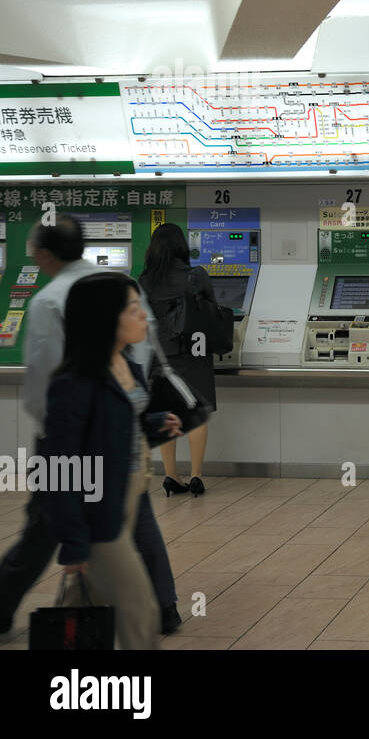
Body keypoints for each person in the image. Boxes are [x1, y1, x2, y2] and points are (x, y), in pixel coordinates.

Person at [0, 215, 184, 638]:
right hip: (112, 434)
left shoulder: (52, 302)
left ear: (43, 255)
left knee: (52, 522)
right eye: (135, 312)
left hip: (82, 436)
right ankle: (161, 606)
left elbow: (41, 384)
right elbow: (142, 361)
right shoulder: (117, 289)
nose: (141, 315)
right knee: (109, 519)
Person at [41, 272, 182, 650]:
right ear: (104, 316)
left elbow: (121, 427)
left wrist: (154, 426)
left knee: (94, 606)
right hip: (99, 510)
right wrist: (73, 542)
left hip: (133, 488)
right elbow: (59, 467)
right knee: (138, 610)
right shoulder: (74, 382)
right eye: (133, 308)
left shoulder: (127, 365)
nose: (144, 317)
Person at [139, 222, 218, 497]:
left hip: (160, 354)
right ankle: (196, 475)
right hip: (193, 351)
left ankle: (171, 476)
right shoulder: (196, 275)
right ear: (181, 246)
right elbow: (212, 310)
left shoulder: (146, 280)